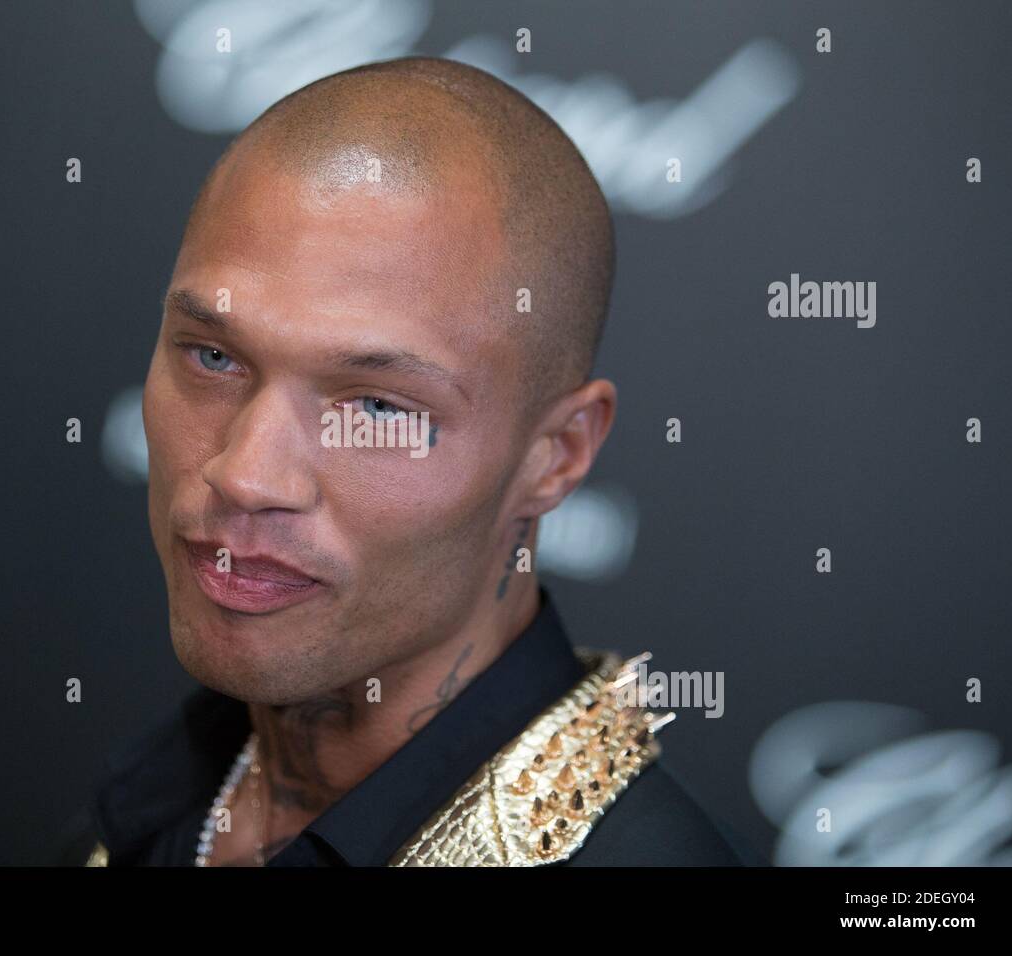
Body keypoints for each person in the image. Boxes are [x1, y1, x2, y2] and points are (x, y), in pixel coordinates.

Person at [70, 55, 752, 867]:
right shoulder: (166, 796)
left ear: (556, 456)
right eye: (213, 358)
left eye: (378, 406)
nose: (246, 474)